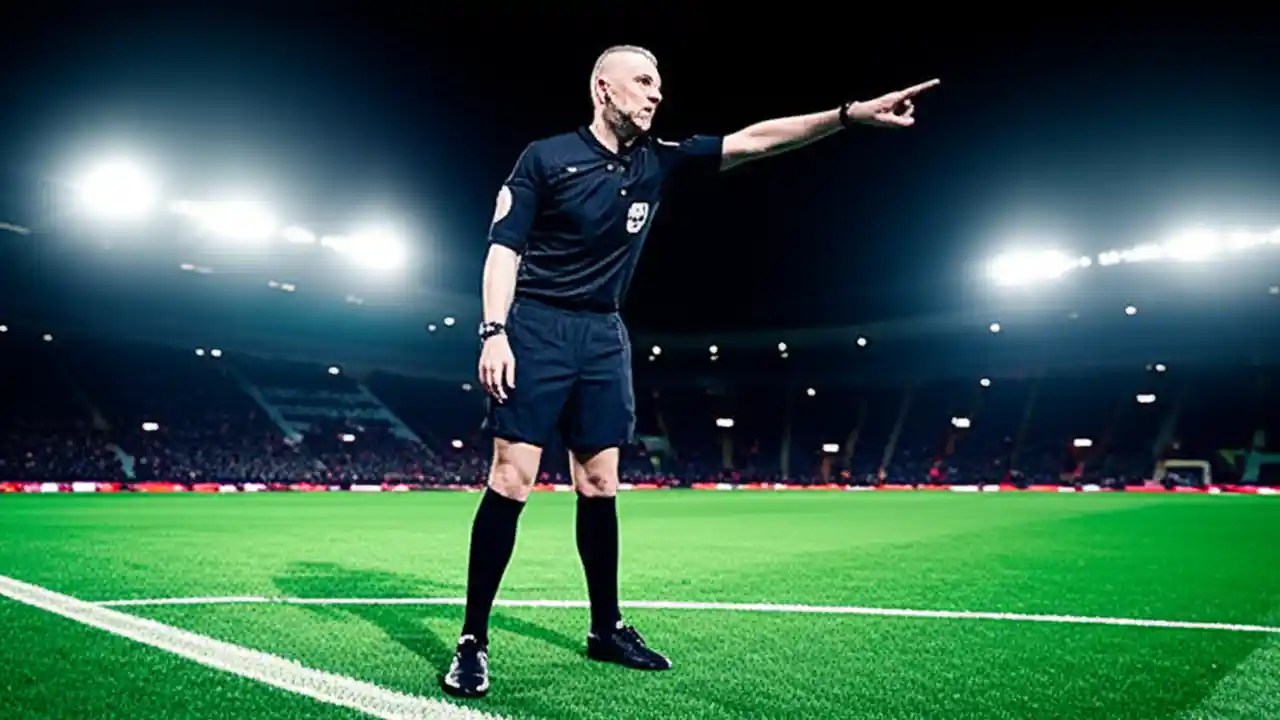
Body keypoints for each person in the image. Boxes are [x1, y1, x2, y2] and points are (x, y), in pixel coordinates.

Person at [442, 44, 939, 698]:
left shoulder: (658, 159)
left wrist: (848, 115)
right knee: (512, 479)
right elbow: (503, 249)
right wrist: (494, 331)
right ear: (603, 88)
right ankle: (472, 640)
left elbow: (757, 140)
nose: (656, 93)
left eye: (658, 83)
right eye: (643, 81)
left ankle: (605, 627)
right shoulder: (545, 158)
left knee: (600, 483)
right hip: (536, 324)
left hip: (603, 332)